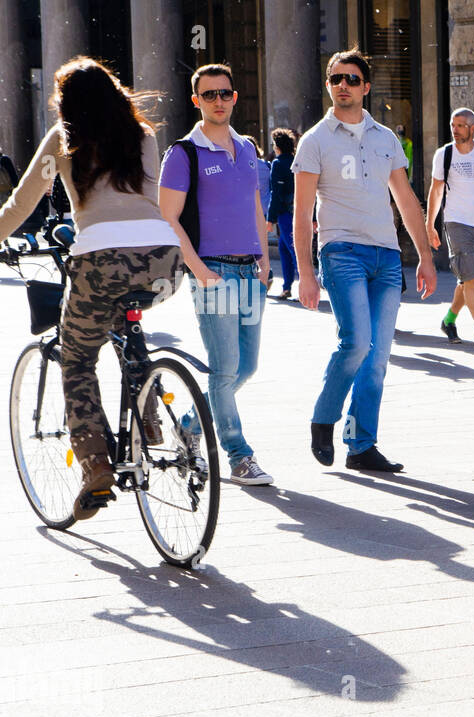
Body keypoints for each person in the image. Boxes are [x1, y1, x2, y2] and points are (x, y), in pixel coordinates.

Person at [0, 57, 183, 519]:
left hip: (100, 260)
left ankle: (96, 466)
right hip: (163, 259)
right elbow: (150, 195)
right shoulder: (143, 134)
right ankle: (149, 421)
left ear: (68, 101)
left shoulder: (65, 138)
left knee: (78, 358)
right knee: (126, 327)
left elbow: (23, 202)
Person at [294, 48, 436, 472]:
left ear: (366, 87)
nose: (343, 85)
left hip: (387, 258)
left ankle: (360, 445)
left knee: (377, 357)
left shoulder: (385, 138)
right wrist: (304, 273)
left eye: (352, 79)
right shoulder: (315, 140)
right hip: (341, 252)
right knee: (355, 342)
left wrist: (424, 257)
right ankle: (324, 417)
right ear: (328, 86)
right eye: (336, 79)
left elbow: (407, 201)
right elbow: (302, 214)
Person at [159, 63, 274, 487]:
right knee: (224, 370)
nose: (219, 101)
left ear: (234, 97)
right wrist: (201, 270)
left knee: (247, 367)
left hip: (250, 272)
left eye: (225, 93)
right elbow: (169, 218)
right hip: (216, 272)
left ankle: (188, 425)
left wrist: (264, 261)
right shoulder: (183, 153)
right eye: (209, 95)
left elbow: (255, 208)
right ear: (196, 101)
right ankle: (239, 455)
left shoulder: (247, 148)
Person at [427, 107, 474, 351]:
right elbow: (436, 191)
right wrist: (430, 224)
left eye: (460, 126)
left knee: (470, 279)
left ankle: (448, 321)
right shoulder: (444, 154)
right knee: (470, 278)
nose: (455, 130)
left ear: (472, 128)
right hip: (456, 222)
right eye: (453, 125)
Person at [267, 127, 297, 299]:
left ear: (277, 146)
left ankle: (306, 285)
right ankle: (286, 287)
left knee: (292, 250)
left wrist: (270, 219)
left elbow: (275, 193)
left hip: (286, 213)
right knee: (284, 248)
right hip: (297, 210)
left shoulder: (278, 164)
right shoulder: (296, 160)